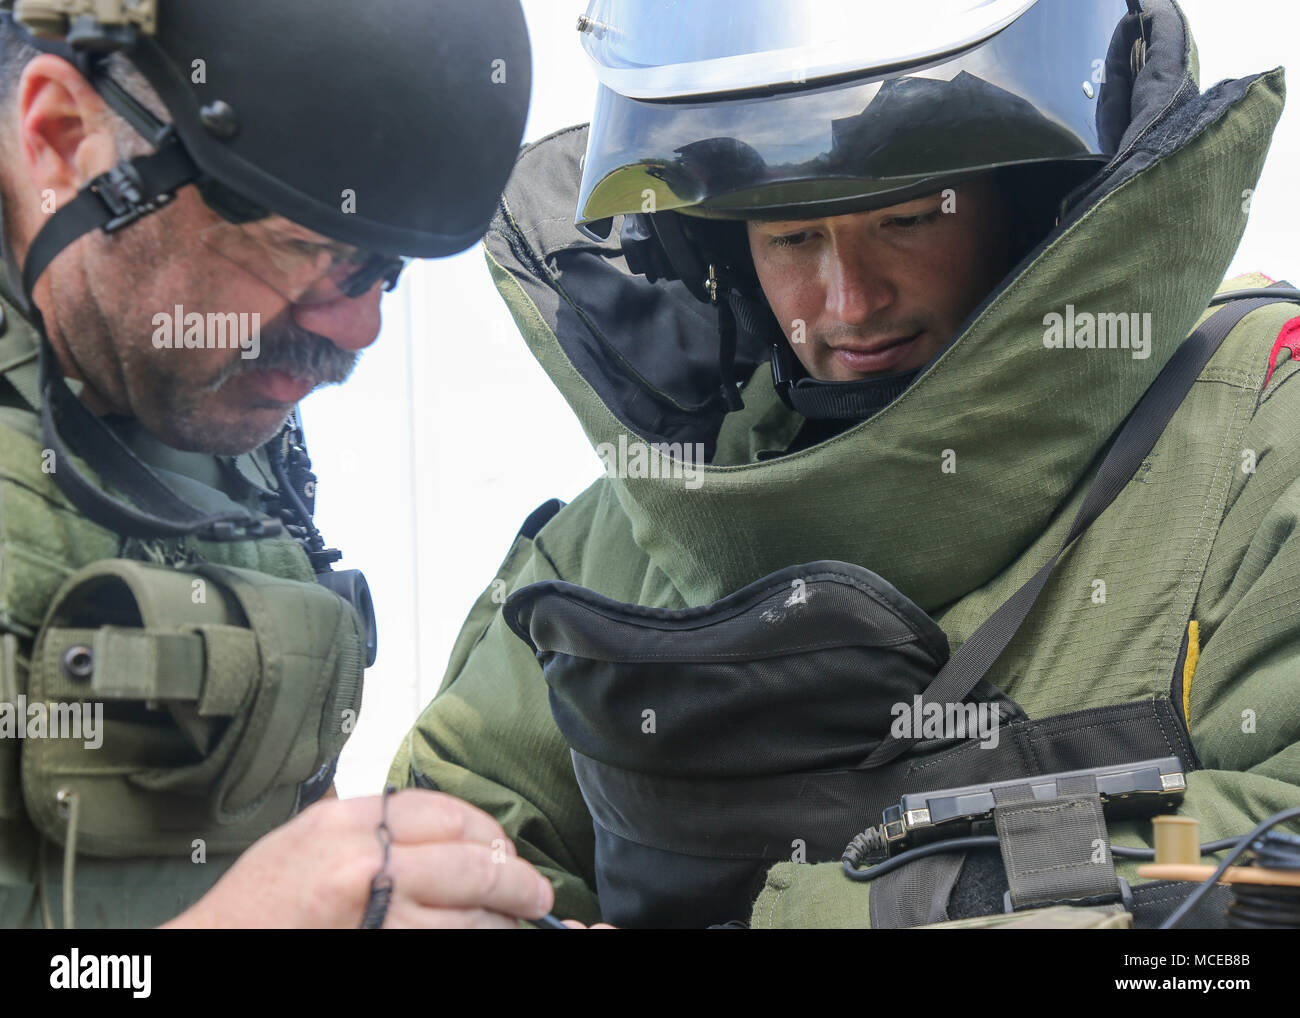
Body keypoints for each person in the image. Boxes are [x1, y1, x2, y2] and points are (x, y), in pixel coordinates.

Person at [390, 0, 1300, 929]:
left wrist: (833, 910)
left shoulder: (1255, 438)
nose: (850, 301)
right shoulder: (628, 531)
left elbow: (1275, 862)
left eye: (907, 220)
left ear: (1036, 207)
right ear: (715, 253)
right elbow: (452, 825)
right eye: (791, 238)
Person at [0, 0, 556, 929]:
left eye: (386, 269)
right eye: (304, 249)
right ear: (62, 138)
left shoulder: (202, 389)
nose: (359, 326)